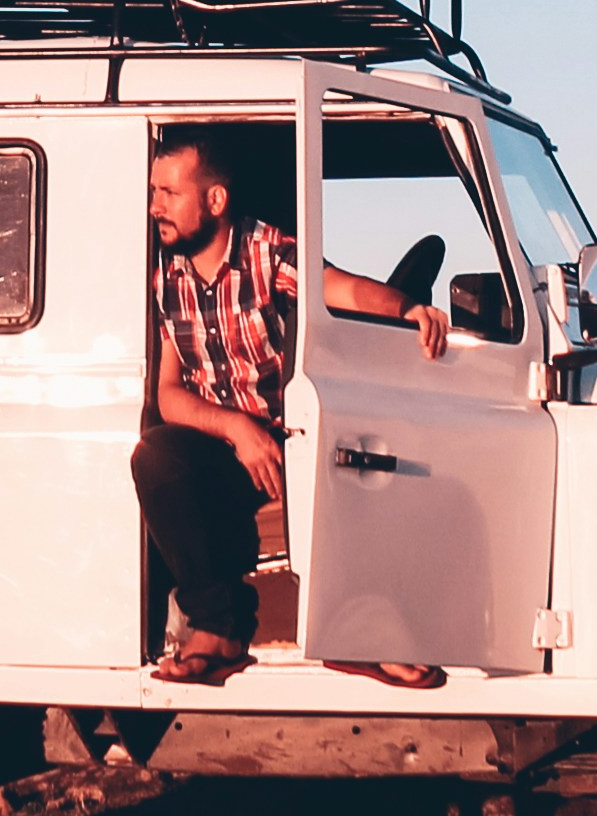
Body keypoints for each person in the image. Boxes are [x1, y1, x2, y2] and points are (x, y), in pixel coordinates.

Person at [133, 129, 450, 688]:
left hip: (291, 441)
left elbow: (340, 290)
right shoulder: (164, 275)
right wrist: (235, 429)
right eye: (154, 191)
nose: (155, 205)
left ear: (215, 201)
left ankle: (359, 637)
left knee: (361, 453)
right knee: (155, 457)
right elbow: (169, 394)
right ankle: (218, 629)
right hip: (228, 447)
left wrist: (408, 310)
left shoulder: (266, 249)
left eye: (168, 192)